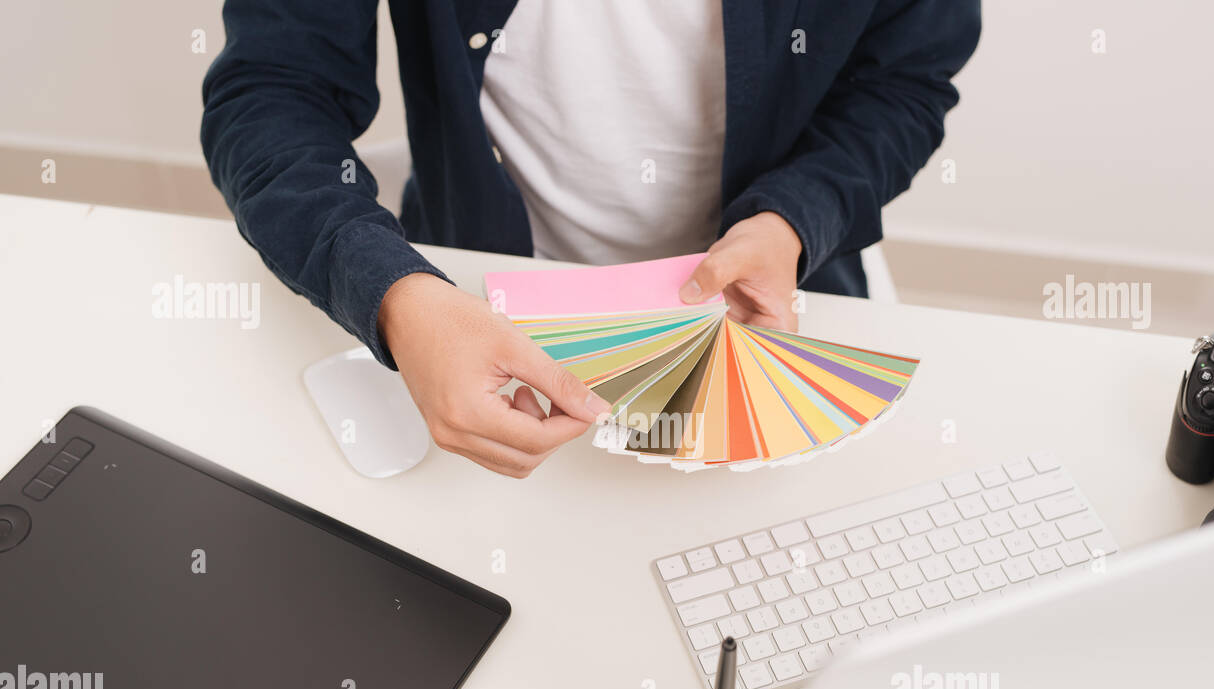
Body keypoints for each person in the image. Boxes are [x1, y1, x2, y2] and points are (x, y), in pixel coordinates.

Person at [202, 0, 979, 477]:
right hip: (472, 317)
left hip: (781, 304)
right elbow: (273, 86)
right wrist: (395, 297)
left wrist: (797, 216)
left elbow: (904, 81)